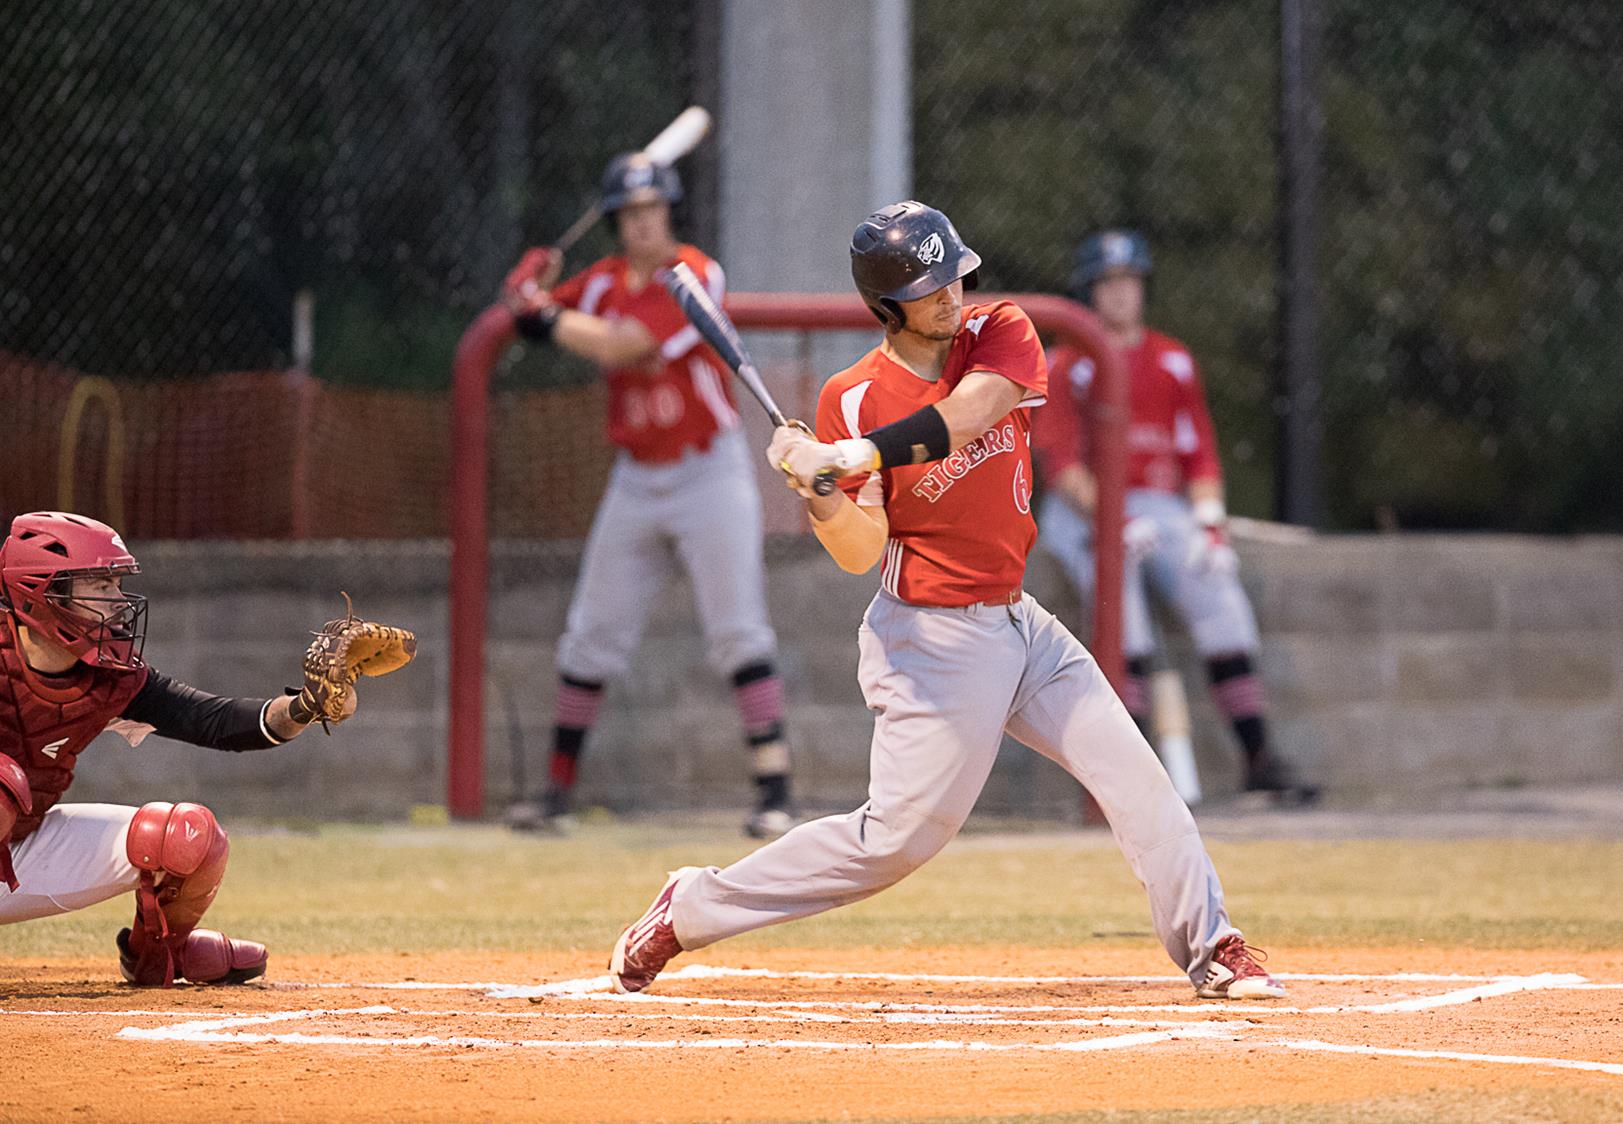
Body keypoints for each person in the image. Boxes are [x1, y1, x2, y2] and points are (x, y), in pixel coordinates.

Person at [605, 201, 1287, 1002]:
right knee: (891, 845)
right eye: (929, 287)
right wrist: (821, 490)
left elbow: (974, 414)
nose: (950, 296)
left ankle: (1211, 945)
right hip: (929, 639)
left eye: (953, 276)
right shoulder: (850, 398)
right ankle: (691, 906)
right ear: (886, 303)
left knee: (1135, 776)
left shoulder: (999, 330)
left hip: (1020, 623)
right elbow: (862, 548)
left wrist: (855, 454)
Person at [500, 151, 796, 838]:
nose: (642, 223)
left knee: (738, 627)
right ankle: (555, 794)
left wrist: (542, 313)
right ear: (613, 221)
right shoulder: (600, 281)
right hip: (636, 475)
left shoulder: (694, 274)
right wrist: (524, 292)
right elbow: (541, 317)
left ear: (670, 210)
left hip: (707, 472)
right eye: (629, 213)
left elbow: (621, 346)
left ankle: (775, 791)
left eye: (651, 209)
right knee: (590, 633)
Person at [0, 511, 368, 985]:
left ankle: (159, 954)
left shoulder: (113, 677)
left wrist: (306, 706)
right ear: (43, 591)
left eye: (117, 584)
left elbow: (214, 722)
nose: (118, 602)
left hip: (18, 854)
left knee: (188, 834)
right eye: (101, 586)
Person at [1035, 230, 1319, 806]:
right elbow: (1062, 466)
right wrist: (1111, 520)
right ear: (1089, 290)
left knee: (1216, 590)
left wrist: (1210, 522)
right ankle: (1131, 772)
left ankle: (1259, 755)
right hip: (1084, 508)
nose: (1120, 295)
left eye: (1129, 281)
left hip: (1158, 506)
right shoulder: (1065, 362)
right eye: (1108, 283)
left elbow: (1199, 453)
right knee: (1123, 609)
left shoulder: (1171, 359)